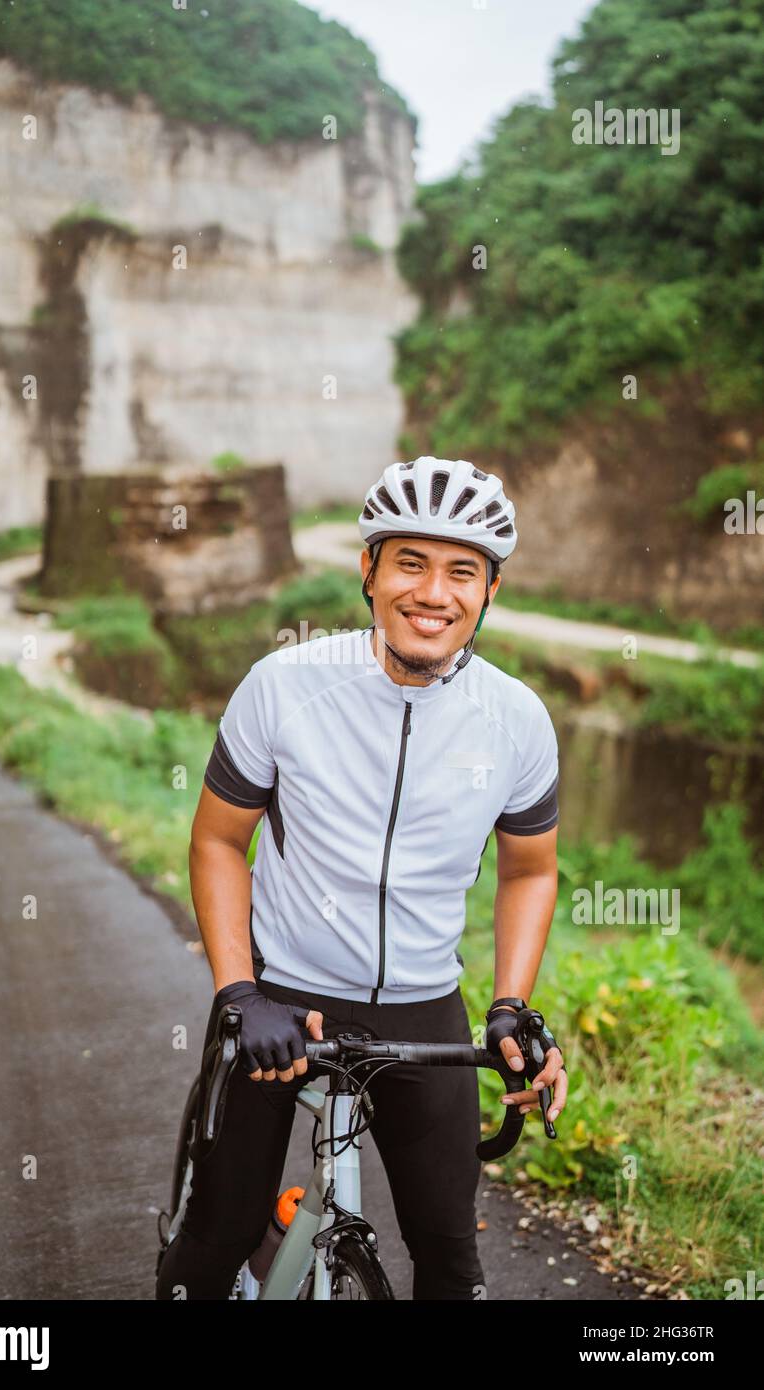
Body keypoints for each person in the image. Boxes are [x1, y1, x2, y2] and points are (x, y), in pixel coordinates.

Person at [156, 455, 568, 1301]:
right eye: (410, 562)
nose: (434, 593)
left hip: (422, 1004)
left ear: (490, 591)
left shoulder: (517, 721)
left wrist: (510, 1005)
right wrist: (239, 995)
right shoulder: (283, 688)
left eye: (463, 572)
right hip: (280, 997)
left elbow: (530, 870)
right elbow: (218, 845)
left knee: (452, 1258)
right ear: (369, 573)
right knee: (213, 1242)